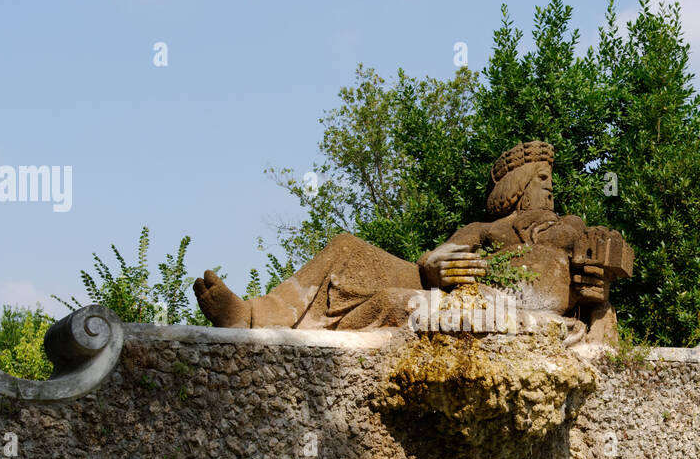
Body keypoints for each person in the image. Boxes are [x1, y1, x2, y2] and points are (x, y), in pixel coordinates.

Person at [193, 141, 632, 341]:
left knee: (392, 300)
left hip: (513, 303)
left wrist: (597, 292)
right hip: (459, 291)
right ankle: (253, 316)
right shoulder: (484, 231)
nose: (549, 189)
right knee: (346, 247)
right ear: (516, 188)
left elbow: (588, 282)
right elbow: (439, 254)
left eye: (550, 181)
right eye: (541, 180)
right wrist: (437, 265)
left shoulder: (570, 228)